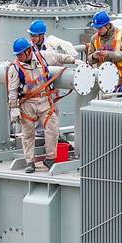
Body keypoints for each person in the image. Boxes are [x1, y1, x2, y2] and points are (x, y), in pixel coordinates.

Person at [7, 35, 74, 174]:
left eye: (20, 54)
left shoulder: (42, 57)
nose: (18, 57)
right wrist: (13, 109)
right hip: (27, 104)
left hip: (44, 102)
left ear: (28, 51)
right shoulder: (15, 68)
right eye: (17, 55)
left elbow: (58, 58)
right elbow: (12, 91)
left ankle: (50, 159)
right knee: (28, 134)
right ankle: (29, 162)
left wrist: (73, 60)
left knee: (52, 129)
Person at [89, 10, 122, 94]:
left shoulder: (120, 35)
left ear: (108, 25)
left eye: (100, 28)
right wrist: (94, 56)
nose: (98, 30)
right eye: (96, 28)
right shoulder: (94, 38)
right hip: (105, 81)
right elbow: (89, 58)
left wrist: (109, 54)